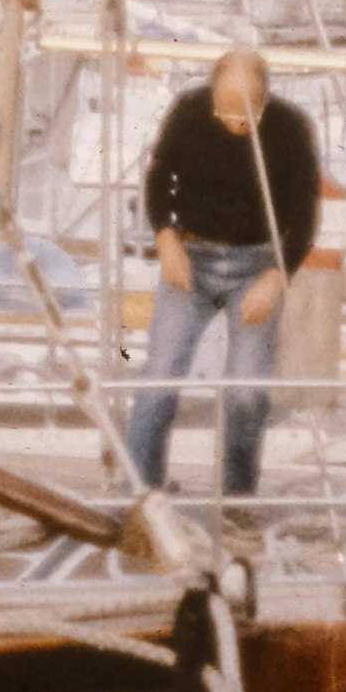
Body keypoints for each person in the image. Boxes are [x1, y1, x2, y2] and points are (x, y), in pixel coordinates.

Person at [126, 47, 321, 503]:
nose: (231, 122)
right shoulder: (190, 113)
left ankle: (237, 501)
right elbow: (158, 180)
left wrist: (277, 277)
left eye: (243, 113)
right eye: (223, 109)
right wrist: (165, 237)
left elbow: (303, 217)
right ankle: (139, 496)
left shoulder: (291, 130)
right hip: (190, 258)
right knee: (159, 378)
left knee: (247, 394)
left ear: (264, 101)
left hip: (255, 265)